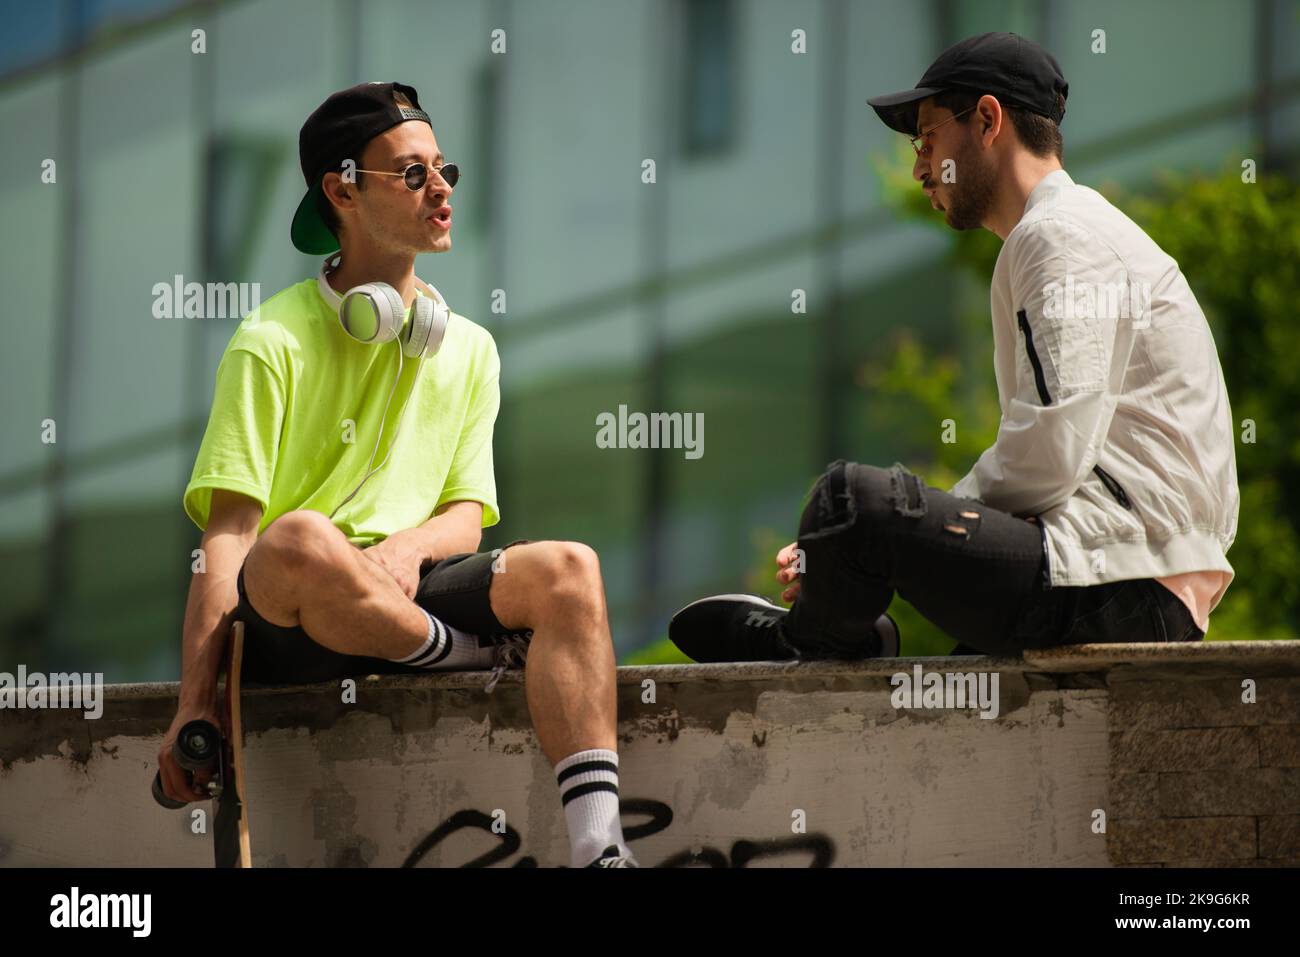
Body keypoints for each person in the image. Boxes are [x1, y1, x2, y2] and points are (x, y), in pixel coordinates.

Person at [158, 82, 635, 868]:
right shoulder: (269, 338)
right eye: (413, 174)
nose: (442, 187)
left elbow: (467, 512)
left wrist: (409, 550)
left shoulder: (471, 347)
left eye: (444, 169)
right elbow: (230, 536)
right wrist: (190, 703)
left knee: (570, 569)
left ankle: (601, 850)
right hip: (295, 615)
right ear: (342, 189)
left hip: (410, 593)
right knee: (299, 538)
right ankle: (462, 652)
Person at [669, 33, 1238, 664]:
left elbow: (1052, 449)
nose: (918, 168)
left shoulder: (1059, 235)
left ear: (988, 120)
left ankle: (803, 641)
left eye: (927, 138)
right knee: (937, 692)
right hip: (1130, 576)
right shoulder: (1078, 233)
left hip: (1117, 577)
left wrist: (885, 537)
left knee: (849, 502)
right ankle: (843, 629)